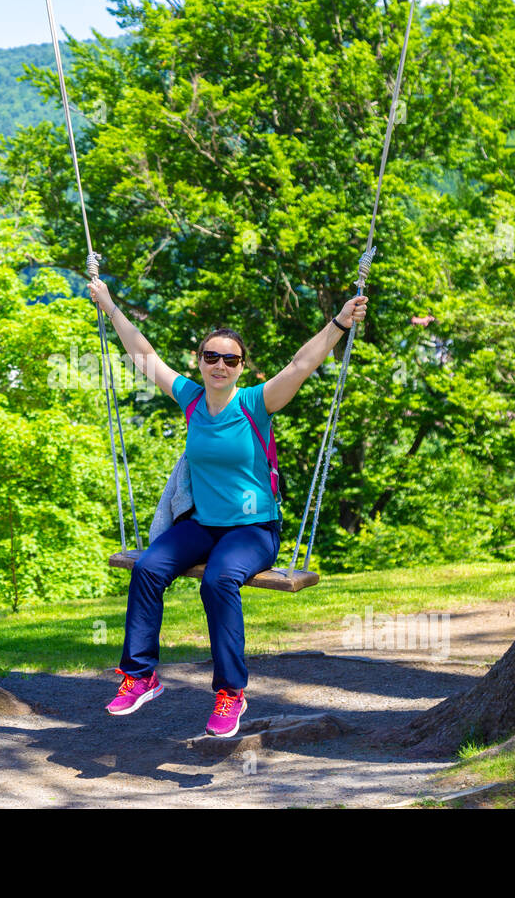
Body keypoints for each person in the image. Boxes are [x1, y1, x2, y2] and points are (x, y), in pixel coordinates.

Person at [88, 275, 368, 737]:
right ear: (199, 362)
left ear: (242, 367)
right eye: (211, 357)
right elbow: (144, 356)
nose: (220, 365)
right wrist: (110, 306)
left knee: (218, 581)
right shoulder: (191, 398)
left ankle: (230, 693)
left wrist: (339, 321)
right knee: (148, 568)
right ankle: (140, 676)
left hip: (253, 531)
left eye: (230, 359)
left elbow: (301, 363)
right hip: (202, 525)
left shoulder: (257, 403)